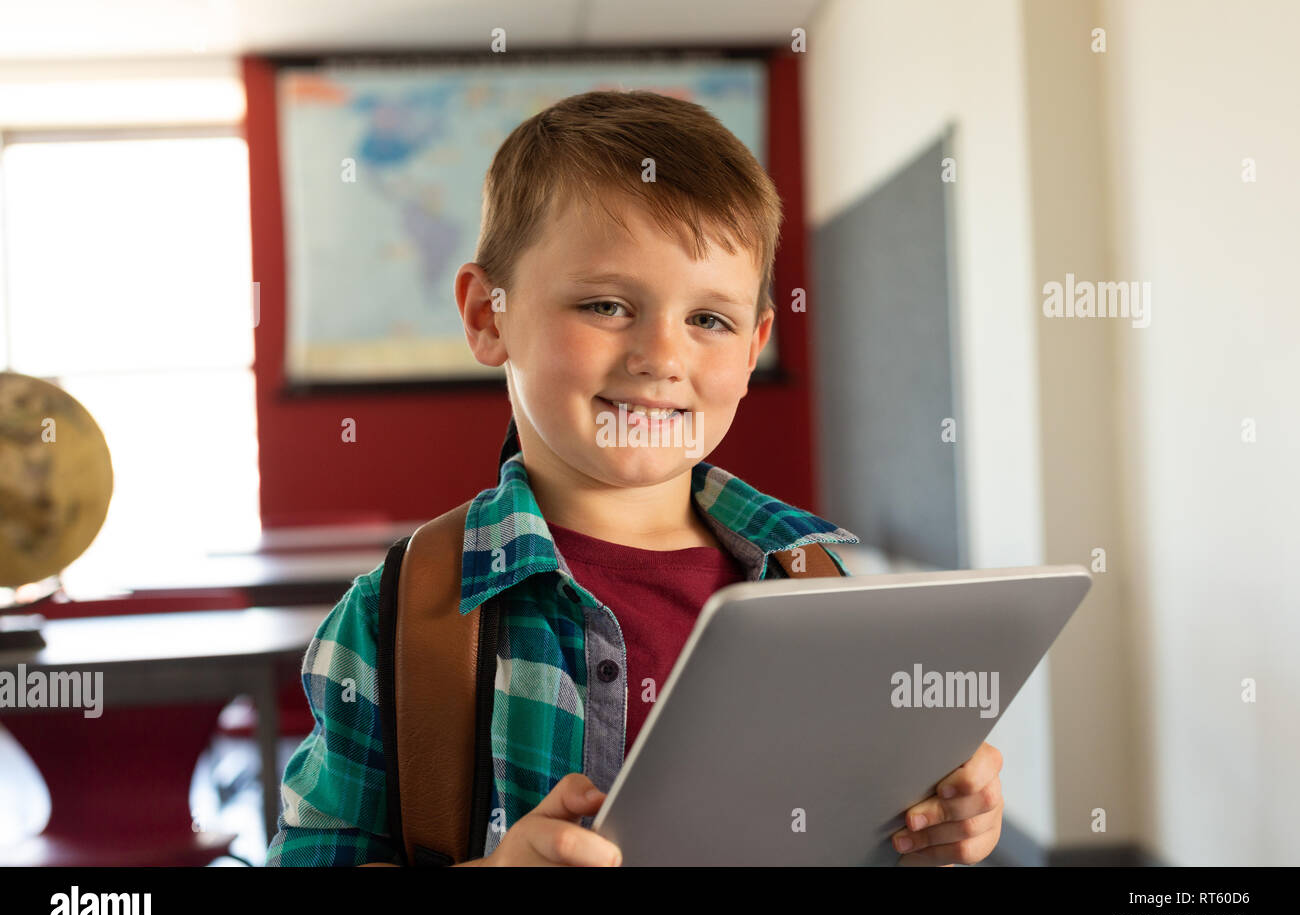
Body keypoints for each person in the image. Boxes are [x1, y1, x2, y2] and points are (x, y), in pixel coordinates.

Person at [265, 89, 1003, 867]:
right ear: (489, 316)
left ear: (752, 349)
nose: (662, 357)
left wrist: (934, 826)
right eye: (608, 304)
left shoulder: (814, 580)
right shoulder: (401, 615)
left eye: (708, 320)